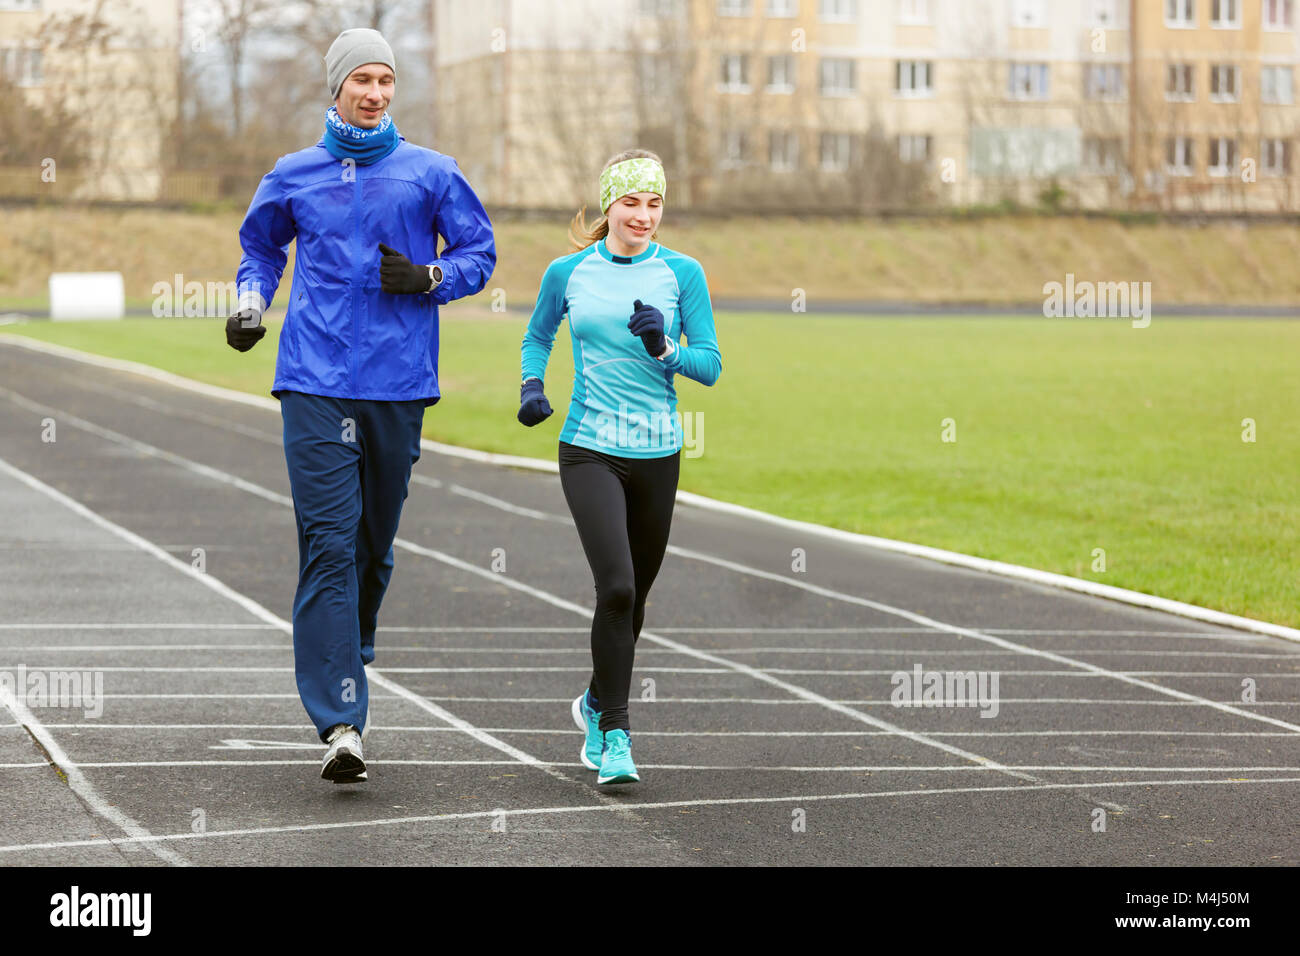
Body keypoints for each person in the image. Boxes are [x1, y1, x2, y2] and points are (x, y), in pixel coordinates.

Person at [226, 28, 496, 783]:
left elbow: (481, 254)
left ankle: (350, 637)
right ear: (336, 88)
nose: (374, 93)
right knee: (329, 542)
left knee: (371, 546)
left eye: (385, 80)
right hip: (312, 379)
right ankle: (341, 720)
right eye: (361, 81)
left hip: (397, 381)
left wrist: (430, 277)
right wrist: (250, 304)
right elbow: (260, 249)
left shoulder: (431, 172)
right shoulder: (294, 174)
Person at [517, 149, 722, 785]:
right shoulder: (568, 272)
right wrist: (531, 384)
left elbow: (710, 366)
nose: (643, 214)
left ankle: (593, 700)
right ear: (608, 206)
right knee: (618, 587)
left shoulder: (683, 274)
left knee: (634, 604)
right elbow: (537, 335)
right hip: (589, 447)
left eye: (654, 202)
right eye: (631, 202)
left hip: (659, 452)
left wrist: (666, 346)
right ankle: (615, 735)